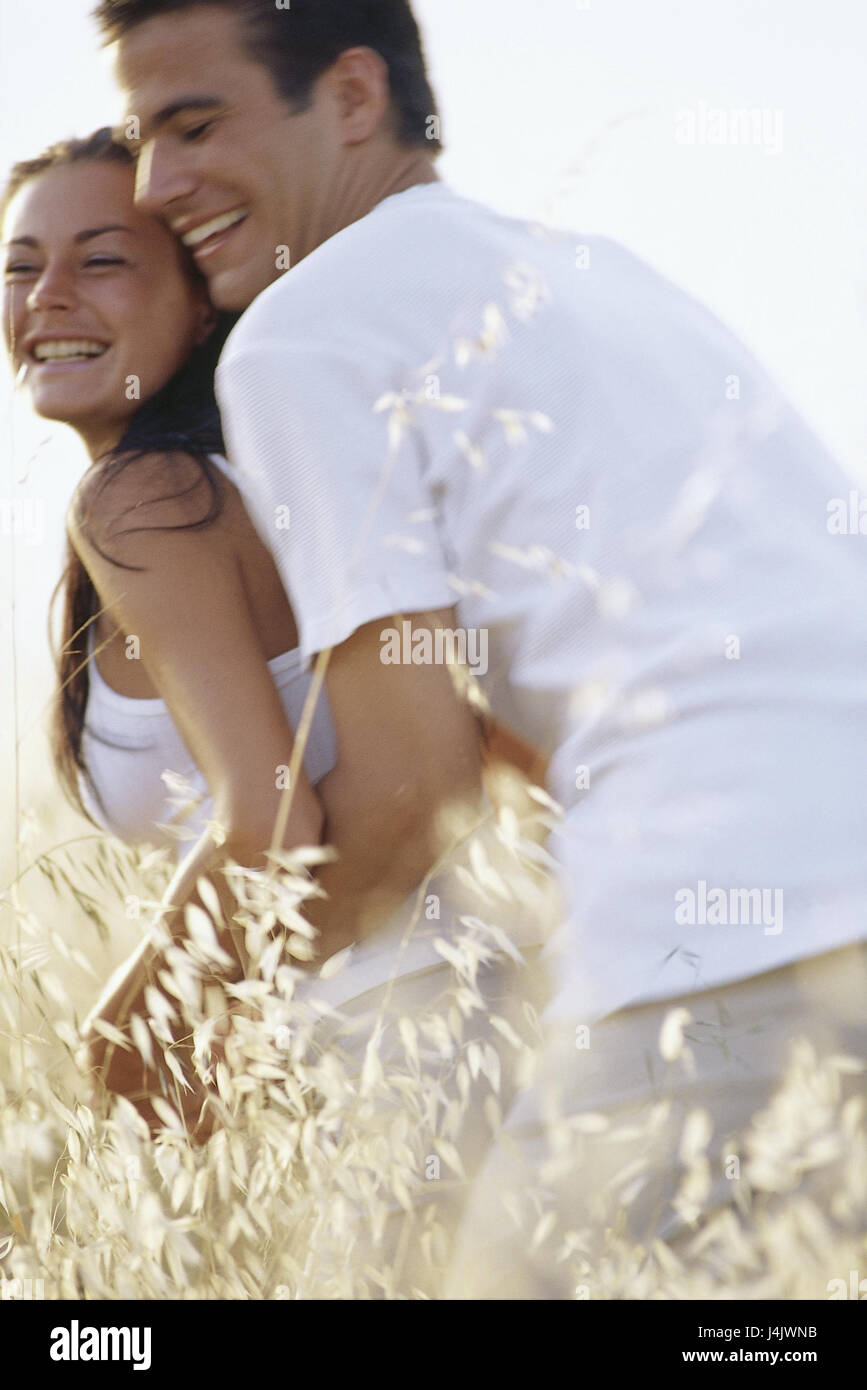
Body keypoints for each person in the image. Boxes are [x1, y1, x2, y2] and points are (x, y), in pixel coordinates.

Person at [92, 0, 867, 1296]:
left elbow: (409, 790)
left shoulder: (304, 329)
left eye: (192, 125)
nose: (156, 185)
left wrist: (177, 1032)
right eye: (137, 140)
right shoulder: (597, 270)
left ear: (350, 97)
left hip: (728, 934)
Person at [2, 126, 551, 1196]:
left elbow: (270, 819)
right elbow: (495, 737)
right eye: (20, 266)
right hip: (499, 1016)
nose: (48, 295)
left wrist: (125, 1042)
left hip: (397, 1051)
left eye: (102, 258)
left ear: (202, 294)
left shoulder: (142, 500)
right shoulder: (295, 474)